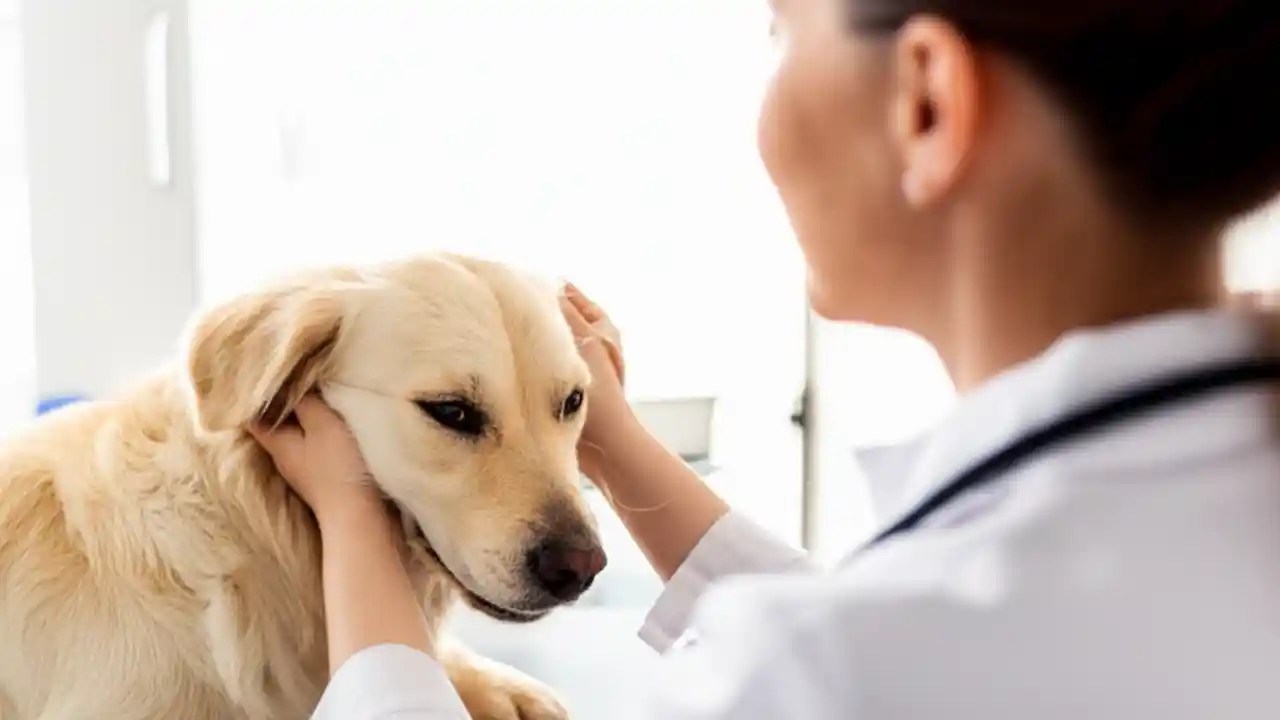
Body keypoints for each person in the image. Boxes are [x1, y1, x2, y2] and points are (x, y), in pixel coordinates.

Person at [250, 0, 1280, 717]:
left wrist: (350, 518)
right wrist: (604, 438)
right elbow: (883, 618)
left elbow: (859, 653)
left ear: (923, 99)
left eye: (779, 31)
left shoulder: (829, 669)